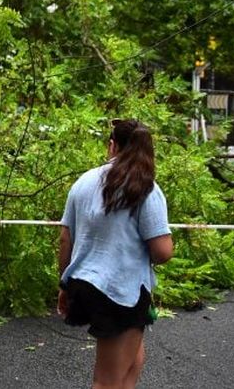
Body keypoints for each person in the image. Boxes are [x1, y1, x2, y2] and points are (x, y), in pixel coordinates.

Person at [58, 118, 174, 389]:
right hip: (121, 291)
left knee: (134, 360)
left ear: (113, 146)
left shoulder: (83, 181)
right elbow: (162, 252)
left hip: (85, 284)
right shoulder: (145, 187)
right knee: (107, 381)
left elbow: (66, 239)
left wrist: (63, 284)